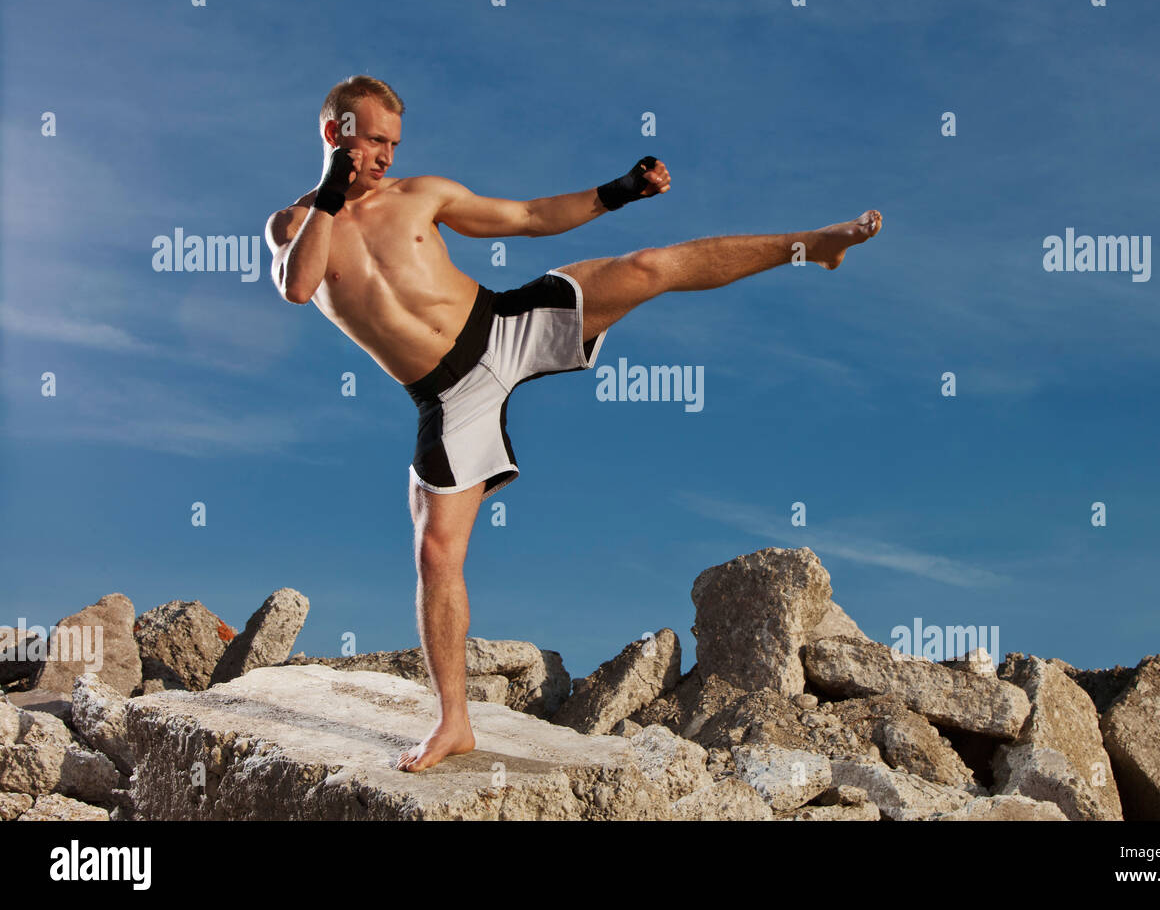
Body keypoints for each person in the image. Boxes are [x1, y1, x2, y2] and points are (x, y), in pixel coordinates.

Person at [264, 75, 883, 772]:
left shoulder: (420, 194)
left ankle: (813, 244)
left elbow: (528, 215)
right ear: (336, 133)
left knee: (649, 267)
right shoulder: (294, 224)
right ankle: (454, 724)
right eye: (374, 139)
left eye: (393, 142)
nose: (385, 155)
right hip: (446, 397)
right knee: (437, 554)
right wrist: (330, 191)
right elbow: (297, 285)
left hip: (502, 326)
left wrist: (619, 190)